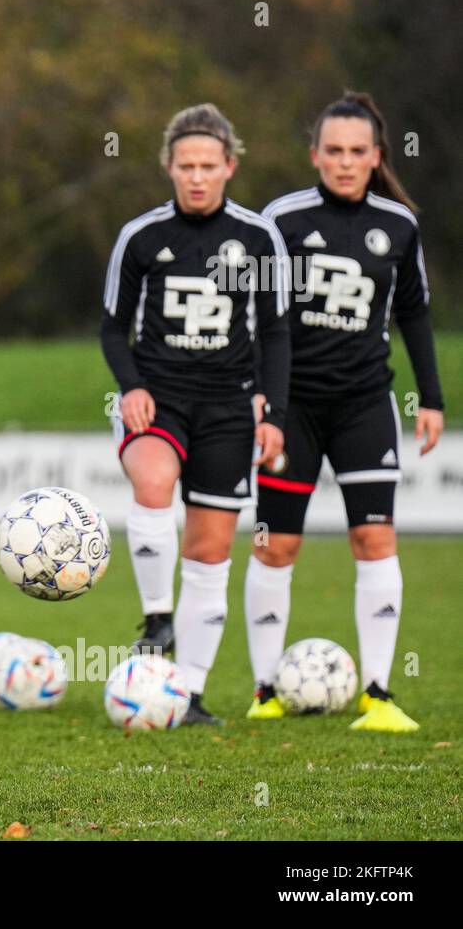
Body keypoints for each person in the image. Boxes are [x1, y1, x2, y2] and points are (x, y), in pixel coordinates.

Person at [245, 93, 443, 732]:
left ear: (376, 156)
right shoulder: (283, 219)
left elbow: (412, 311)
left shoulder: (399, 225)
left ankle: (379, 694)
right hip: (291, 408)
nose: (346, 161)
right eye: (334, 150)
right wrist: (260, 396)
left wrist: (431, 397)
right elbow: (258, 315)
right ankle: (264, 689)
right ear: (315, 155)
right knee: (277, 545)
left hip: (364, 406)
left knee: (374, 538)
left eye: (358, 151)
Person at [100, 103, 290, 725]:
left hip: (230, 406)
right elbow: (110, 328)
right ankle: (158, 618)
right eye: (186, 166)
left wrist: (272, 410)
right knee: (152, 482)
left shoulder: (260, 240)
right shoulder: (142, 237)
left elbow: (277, 334)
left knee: (209, 553)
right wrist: (129, 386)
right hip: (159, 397)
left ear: (230, 166)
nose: (197, 177)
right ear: (169, 168)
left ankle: (190, 695)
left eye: (209, 165)